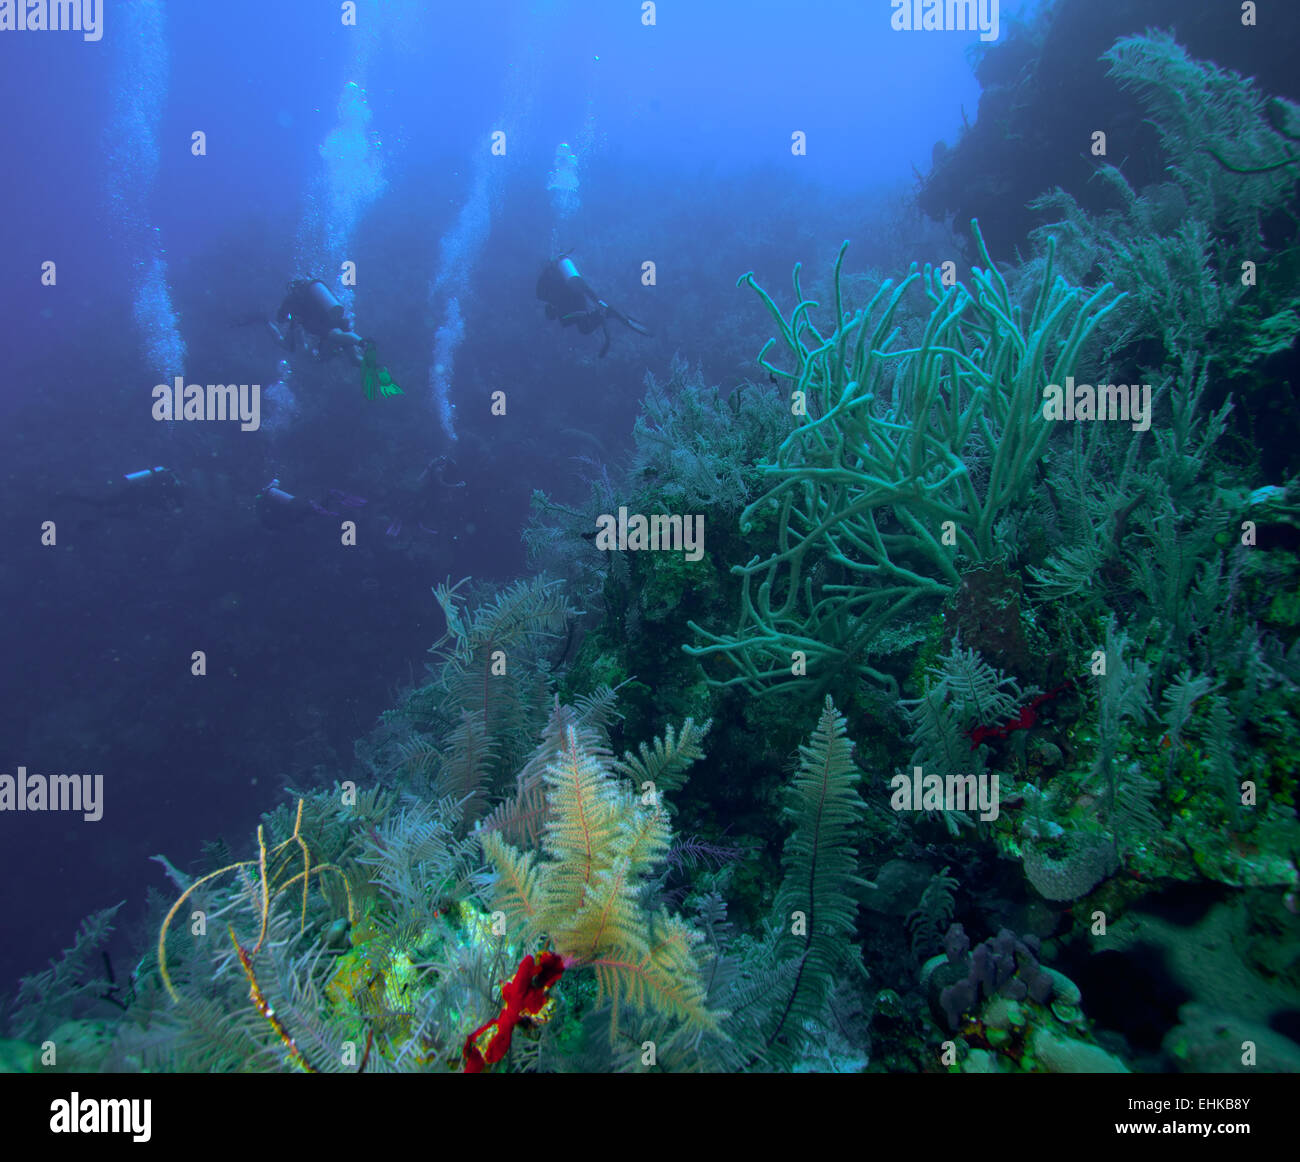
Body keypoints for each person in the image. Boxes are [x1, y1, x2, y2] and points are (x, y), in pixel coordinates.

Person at [536, 254, 651, 357]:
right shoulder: (550, 293)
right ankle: (606, 313)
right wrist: (596, 302)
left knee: (584, 327)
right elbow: (581, 288)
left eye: (553, 315)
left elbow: (577, 304)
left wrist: (591, 310)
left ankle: (607, 313)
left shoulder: (556, 304)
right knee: (584, 328)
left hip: (577, 296)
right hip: (578, 295)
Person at [268, 278, 366, 368]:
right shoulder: (315, 292)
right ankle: (374, 361)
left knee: (337, 336)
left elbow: (280, 319)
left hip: (319, 324)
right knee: (355, 359)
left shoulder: (290, 300)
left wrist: (290, 319)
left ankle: (364, 344)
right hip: (335, 317)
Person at [54, 466, 184, 528]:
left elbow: (157, 500)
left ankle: (68, 497)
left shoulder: (166, 481)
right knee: (124, 513)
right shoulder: (171, 487)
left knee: (102, 504)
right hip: (136, 497)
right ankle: (71, 500)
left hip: (131, 493)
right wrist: (171, 509)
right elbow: (157, 500)